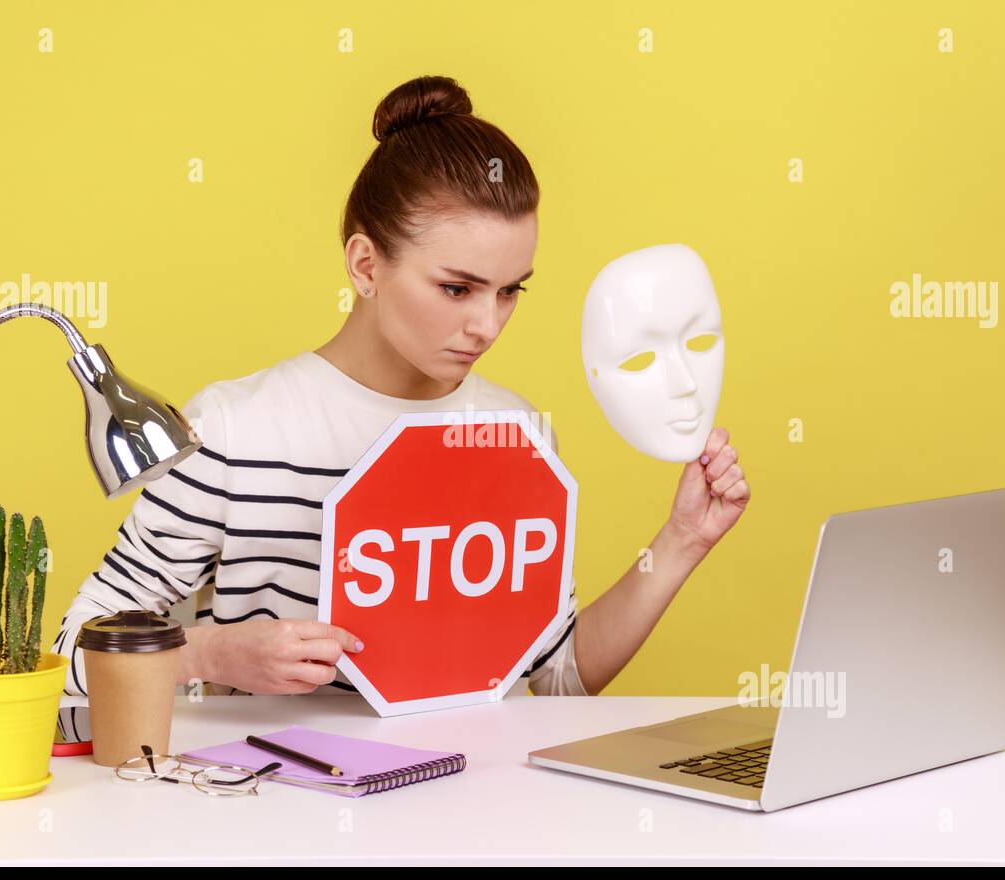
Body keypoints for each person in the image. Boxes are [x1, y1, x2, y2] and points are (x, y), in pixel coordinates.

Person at [53, 74, 750, 701]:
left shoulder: (516, 434)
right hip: (269, 809)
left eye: (511, 291)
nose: (486, 324)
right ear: (365, 264)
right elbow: (71, 647)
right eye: (456, 287)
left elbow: (556, 677)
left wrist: (683, 538)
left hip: (463, 810)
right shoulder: (235, 431)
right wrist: (208, 653)